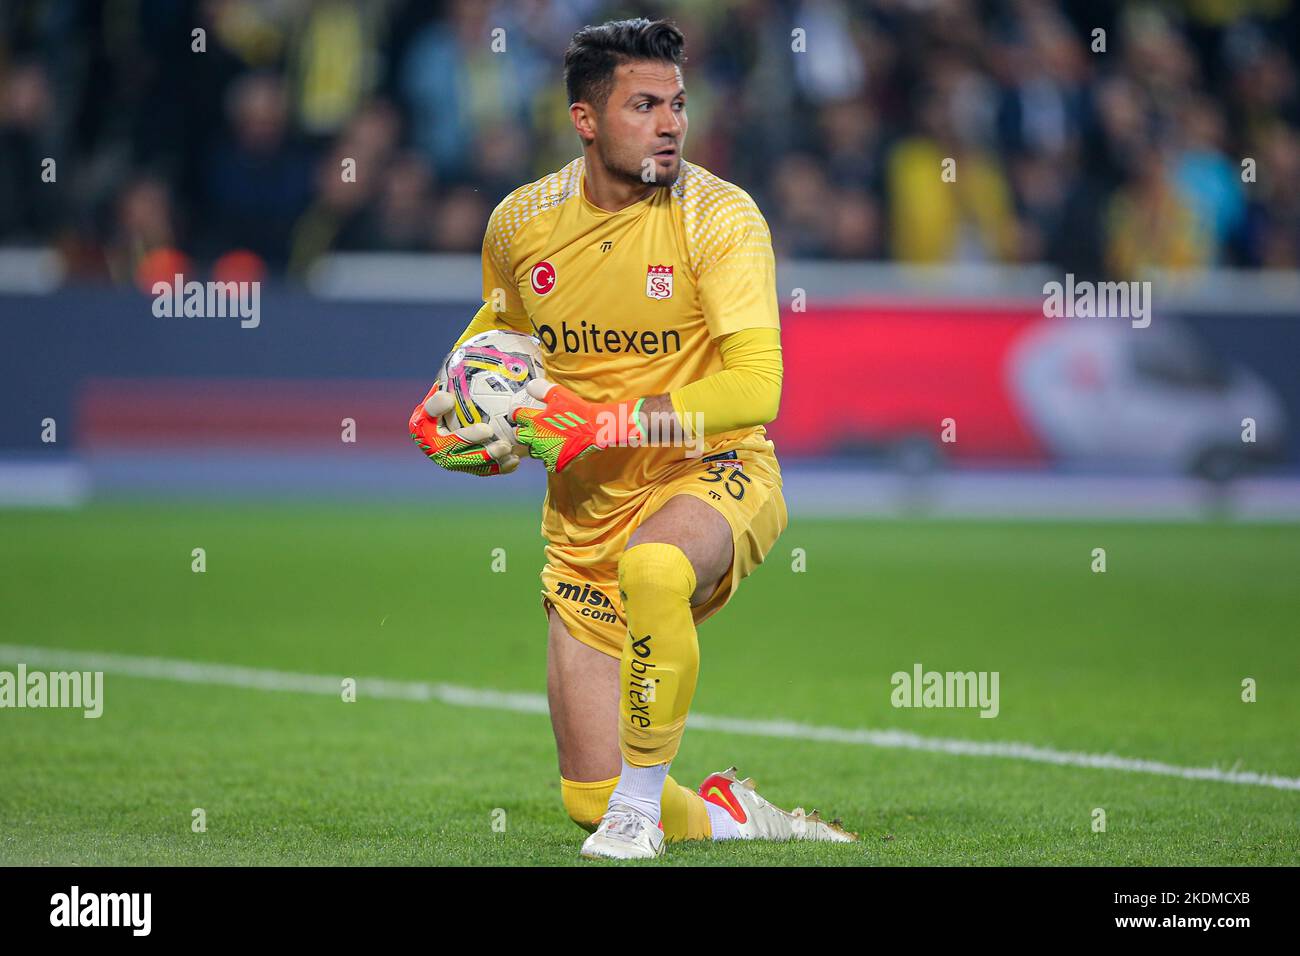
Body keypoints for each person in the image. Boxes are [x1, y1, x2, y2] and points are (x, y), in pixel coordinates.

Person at [409, 17, 855, 860]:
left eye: (678, 103)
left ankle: (638, 813)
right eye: (644, 105)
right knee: (586, 796)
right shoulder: (520, 226)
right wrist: (453, 410)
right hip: (584, 524)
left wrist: (607, 420)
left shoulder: (720, 218)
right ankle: (726, 812)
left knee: (656, 567)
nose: (670, 123)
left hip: (713, 472)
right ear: (585, 119)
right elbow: (499, 340)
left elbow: (759, 386)